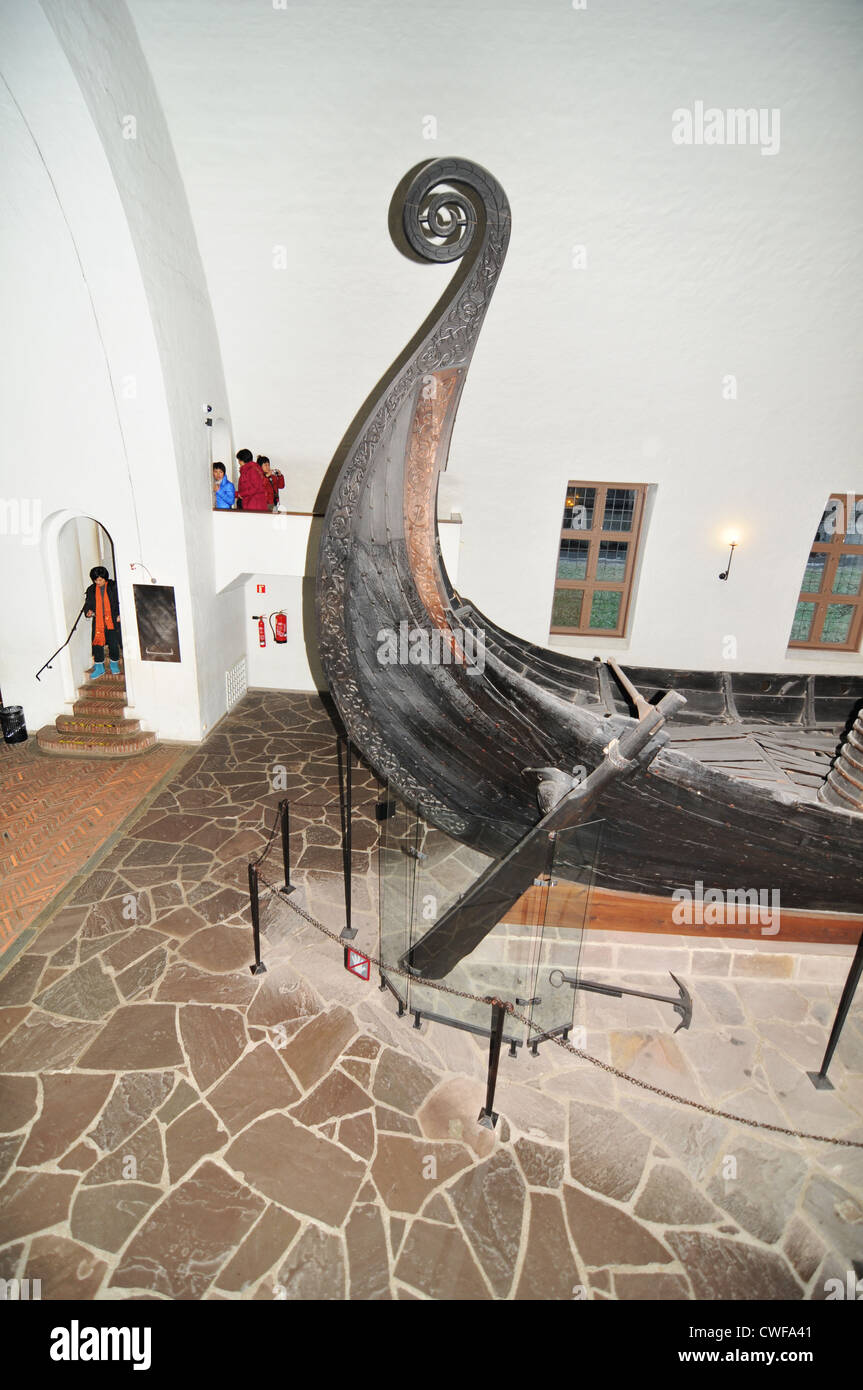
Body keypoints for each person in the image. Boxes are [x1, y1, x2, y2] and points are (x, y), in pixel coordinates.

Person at [84, 566, 121, 679]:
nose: (97, 582)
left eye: (100, 580)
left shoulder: (113, 586)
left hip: (112, 620)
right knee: (97, 644)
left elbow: (120, 601)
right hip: (99, 621)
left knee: (113, 644)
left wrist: (120, 614)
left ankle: (114, 664)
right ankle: (99, 668)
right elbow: (88, 603)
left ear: (105, 578)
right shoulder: (91, 590)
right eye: (95, 580)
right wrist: (88, 611)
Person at [236, 448, 270, 512]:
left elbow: (256, 487)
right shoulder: (251, 469)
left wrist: (241, 494)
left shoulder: (251, 470)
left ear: (242, 460)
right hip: (252, 502)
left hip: (254, 503)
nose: (239, 462)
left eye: (239, 460)